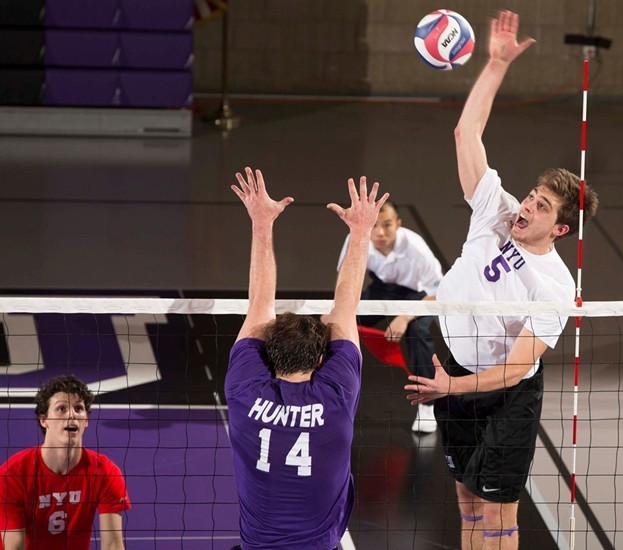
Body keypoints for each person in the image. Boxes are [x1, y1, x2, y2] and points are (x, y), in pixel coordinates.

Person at [404, 11, 598, 550]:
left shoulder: (554, 286)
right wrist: (494, 65)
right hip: (458, 372)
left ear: (559, 228)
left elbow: (515, 368)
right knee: (466, 505)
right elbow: (467, 132)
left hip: (504, 396)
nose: (527, 208)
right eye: (532, 197)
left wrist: (449, 388)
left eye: (540, 208)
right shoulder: (496, 211)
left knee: (498, 517)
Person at [225, 167, 387, 550]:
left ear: (268, 354)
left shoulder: (244, 389)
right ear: (319, 361)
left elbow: (259, 307)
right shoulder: (335, 395)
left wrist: (261, 222)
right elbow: (346, 307)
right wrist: (362, 231)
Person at [337, 199, 444, 433]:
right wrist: (338, 315)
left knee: (418, 333)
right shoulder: (357, 238)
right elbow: (345, 283)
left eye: (387, 225)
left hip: (418, 293)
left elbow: (439, 294)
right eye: (374, 225)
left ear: (398, 224)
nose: (380, 232)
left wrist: (405, 317)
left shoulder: (416, 249)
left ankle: (427, 404)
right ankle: (331, 393)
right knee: (341, 325)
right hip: (382, 288)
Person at [0, 374, 130, 550]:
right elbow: (15, 547)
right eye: (61, 408)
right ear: (43, 420)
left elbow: (113, 545)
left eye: (79, 408)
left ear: (87, 420)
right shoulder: (12, 474)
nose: (72, 415)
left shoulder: (105, 472)